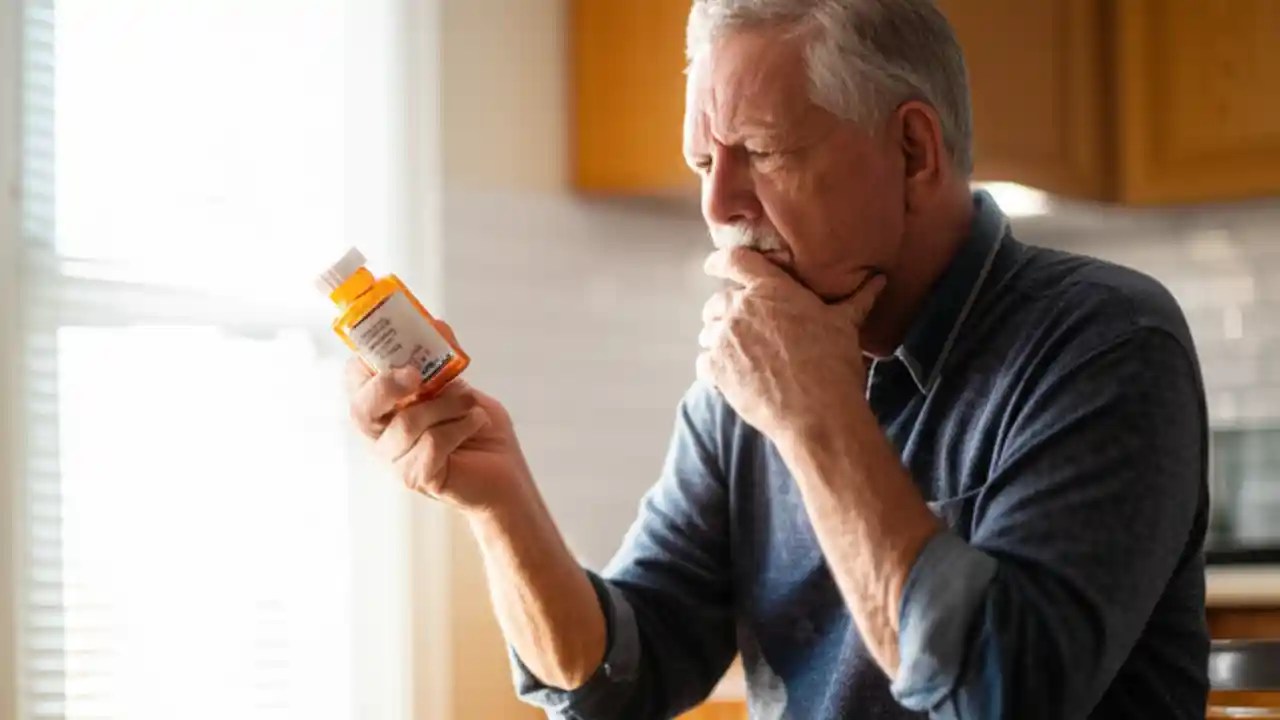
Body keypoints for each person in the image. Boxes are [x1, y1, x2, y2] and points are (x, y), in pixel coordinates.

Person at [344, 0, 1210, 717]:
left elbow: (1004, 691)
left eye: (760, 151)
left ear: (912, 151)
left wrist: (814, 413)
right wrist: (498, 502)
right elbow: (620, 676)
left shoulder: (1106, 339)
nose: (718, 204)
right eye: (701, 161)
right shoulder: (743, 386)